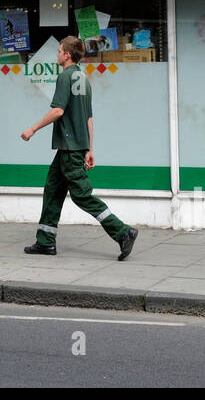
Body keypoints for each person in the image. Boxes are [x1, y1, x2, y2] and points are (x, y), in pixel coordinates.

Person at [20, 36, 137, 260]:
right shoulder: (84, 78)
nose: (56, 55)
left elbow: (58, 111)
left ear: (67, 55)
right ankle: (45, 241)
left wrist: (32, 129)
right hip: (72, 147)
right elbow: (89, 118)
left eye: (58, 51)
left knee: (82, 195)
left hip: (70, 148)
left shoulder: (65, 77)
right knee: (53, 190)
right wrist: (89, 149)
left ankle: (123, 232)